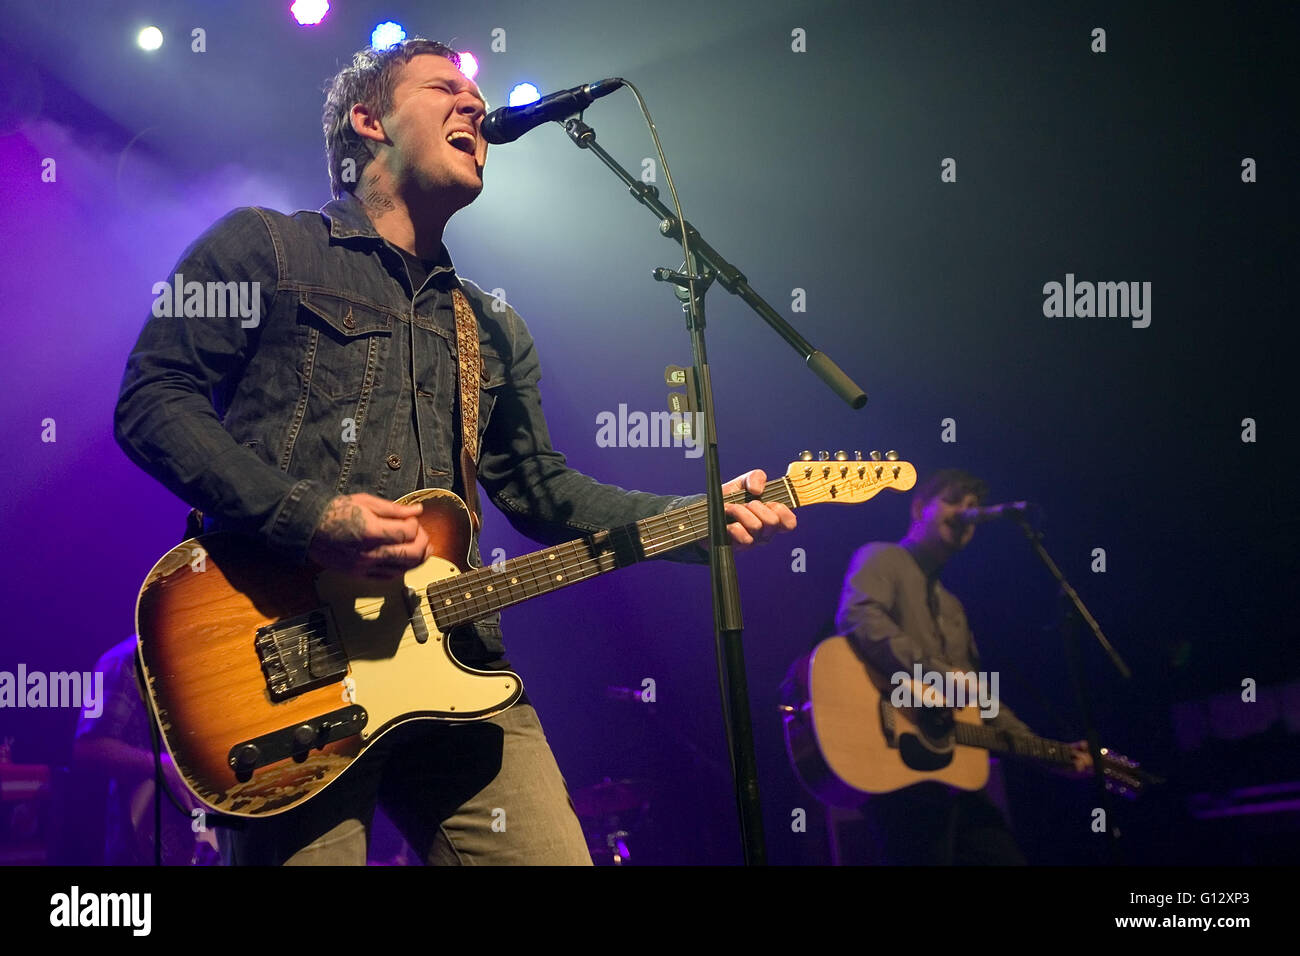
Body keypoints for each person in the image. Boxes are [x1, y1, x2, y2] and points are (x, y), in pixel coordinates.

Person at [113, 38, 794, 865]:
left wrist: (690, 518)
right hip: (289, 674)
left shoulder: (491, 327)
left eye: (477, 96)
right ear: (368, 121)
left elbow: (541, 492)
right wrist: (311, 515)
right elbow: (153, 399)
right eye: (446, 90)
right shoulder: (265, 248)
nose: (475, 106)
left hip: (458, 669)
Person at [833, 468, 1088, 864]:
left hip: (954, 777)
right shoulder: (883, 557)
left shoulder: (954, 607)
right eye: (953, 501)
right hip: (899, 765)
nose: (967, 513)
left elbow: (977, 699)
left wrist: (1048, 752)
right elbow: (859, 619)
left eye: (973, 508)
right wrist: (932, 671)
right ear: (919, 508)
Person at [73, 637, 220, 866]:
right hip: (148, 837)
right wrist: (165, 767)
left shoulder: (216, 655)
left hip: (214, 836)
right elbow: (88, 747)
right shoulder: (122, 661)